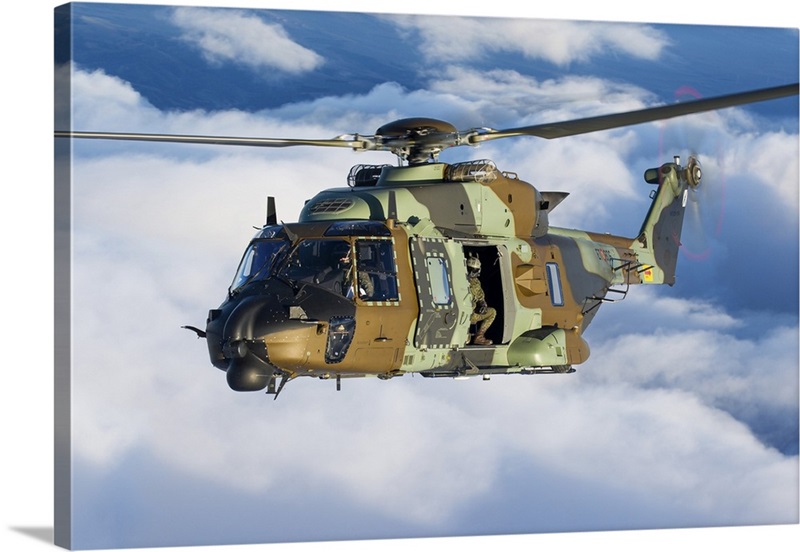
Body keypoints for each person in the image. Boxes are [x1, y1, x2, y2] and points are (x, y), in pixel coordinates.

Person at [467, 256, 496, 345]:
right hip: (463, 313)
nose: (471, 272)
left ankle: (479, 337)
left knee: (492, 312)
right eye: (470, 269)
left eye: (474, 270)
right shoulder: (459, 278)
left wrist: (482, 305)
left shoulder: (476, 282)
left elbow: (481, 297)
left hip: (473, 314)